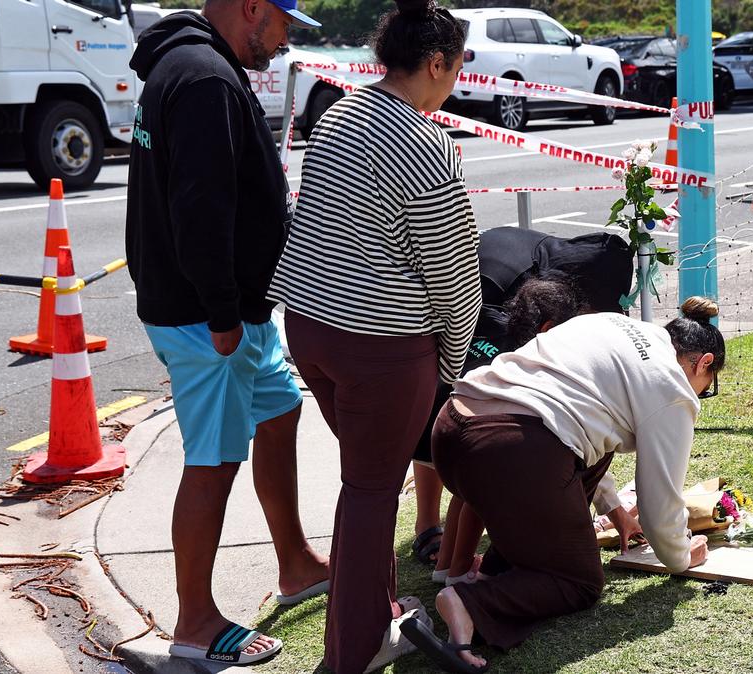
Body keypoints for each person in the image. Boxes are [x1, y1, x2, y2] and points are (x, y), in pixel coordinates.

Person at [265, 0, 479, 670]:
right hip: (381, 344)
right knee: (370, 491)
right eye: (458, 66)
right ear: (436, 63)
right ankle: (354, 650)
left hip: (310, 326)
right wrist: (451, 365)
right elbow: (454, 276)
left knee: (365, 478)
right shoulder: (427, 143)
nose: (457, 80)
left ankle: (378, 611)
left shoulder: (340, 114)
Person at [125, 0, 326, 666]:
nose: (285, 41)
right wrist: (220, 314)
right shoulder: (204, 77)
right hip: (207, 314)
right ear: (252, 9)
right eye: (285, 24)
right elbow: (199, 207)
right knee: (213, 459)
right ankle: (196, 623)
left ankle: (295, 561)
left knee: (281, 408)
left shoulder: (187, 63)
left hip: (231, 306)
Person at [403, 297, 726, 673]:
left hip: (452, 428)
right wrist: (682, 555)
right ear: (703, 363)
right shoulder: (672, 387)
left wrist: (614, 510)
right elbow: (659, 505)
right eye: (705, 388)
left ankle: (493, 572)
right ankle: (469, 602)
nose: (698, 395)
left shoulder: (612, 324)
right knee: (580, 582)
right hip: (508, 451)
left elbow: (580, 428)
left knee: (582, 457)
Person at [428, 274, 591, 586]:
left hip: (446, 433)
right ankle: (459, 572)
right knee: (483, 490)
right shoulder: (537, 366)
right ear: (548, 330)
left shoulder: (506, 347)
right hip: (477, 443)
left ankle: (448, 566)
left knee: (468, 492)